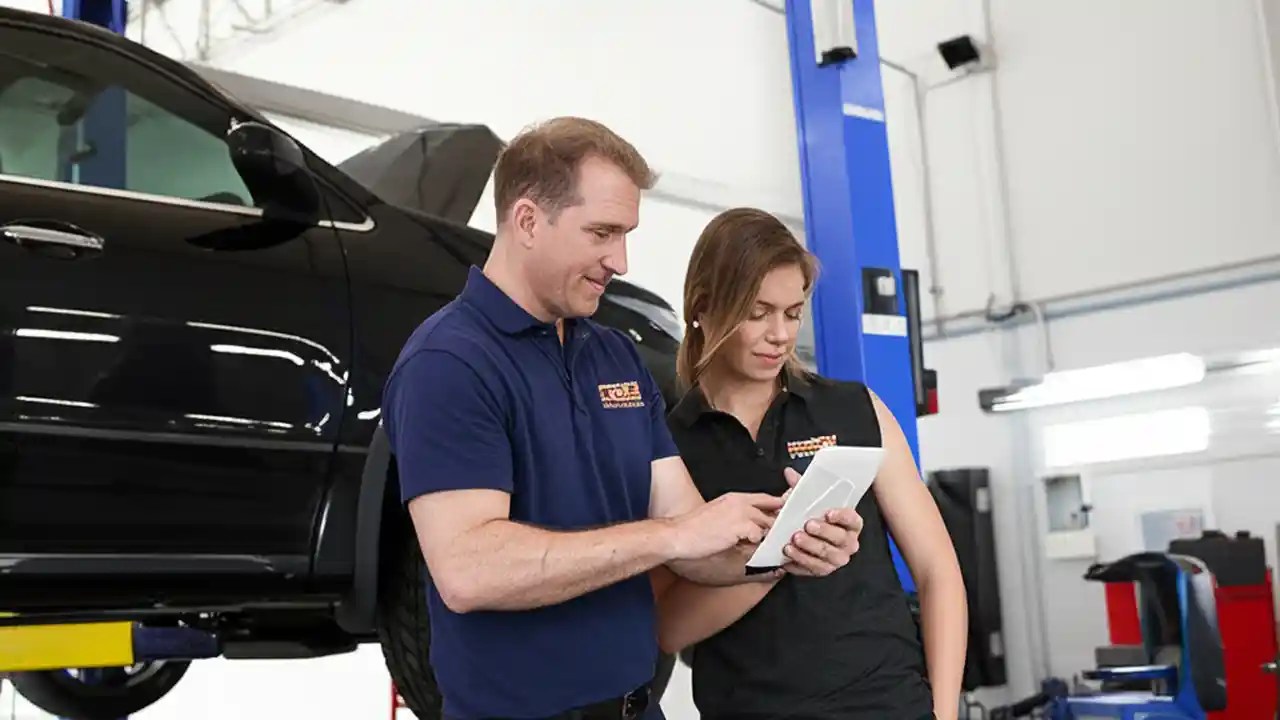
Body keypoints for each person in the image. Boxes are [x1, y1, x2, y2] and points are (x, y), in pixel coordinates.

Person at [380, 118, 864, 720]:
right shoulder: (449, 363)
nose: (622, 261)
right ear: (528, 221)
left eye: (626, 234)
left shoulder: (611, 354)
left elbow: (692, 532)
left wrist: (786, 548)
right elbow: (469, 570)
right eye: (603, 233)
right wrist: (667, 538)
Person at [650, 207, 968, 720]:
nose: (780, 333)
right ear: (703, 308)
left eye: (793, 313)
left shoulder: (854, 409)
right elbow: (669, 627)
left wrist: (946, 712)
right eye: (758, 312)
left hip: (888, 704)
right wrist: (780, 557)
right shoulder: (667, 443)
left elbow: (937, 570)